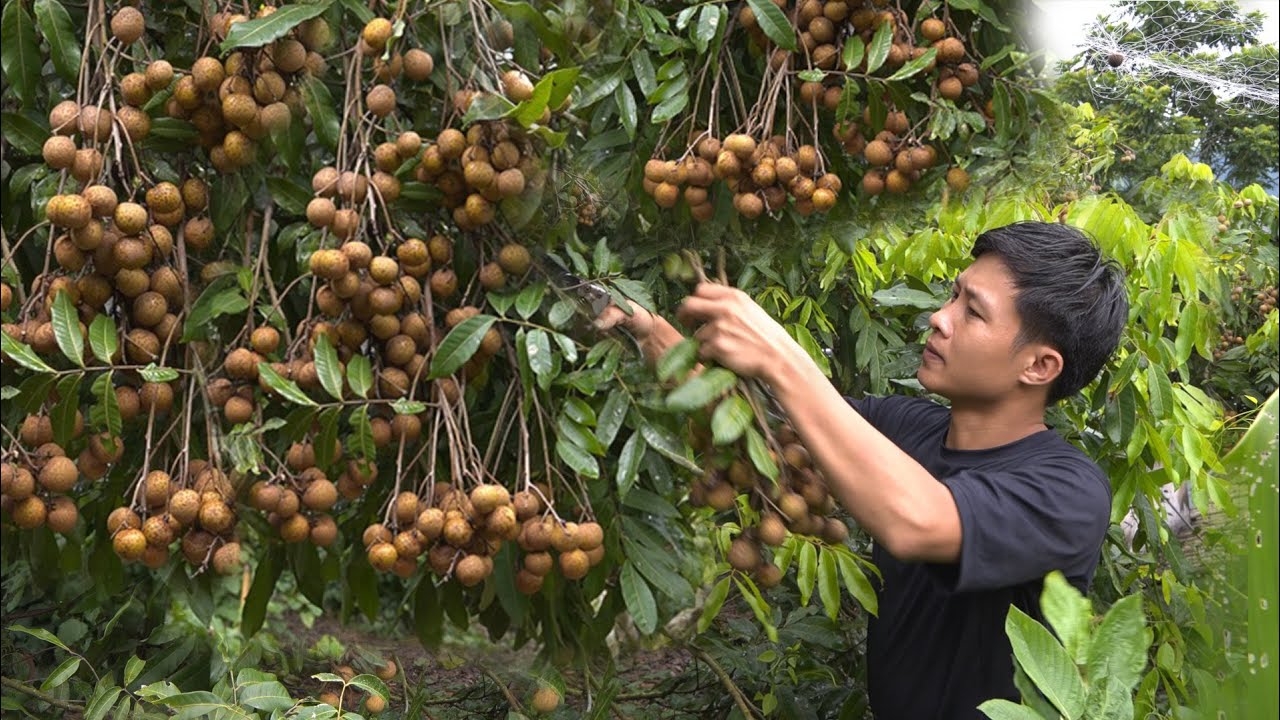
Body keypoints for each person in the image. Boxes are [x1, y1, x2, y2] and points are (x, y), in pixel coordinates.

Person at [594, 221, 1129, 719]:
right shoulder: (904, 424)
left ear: (1038, 366)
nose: (939, 318)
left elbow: (920, 520)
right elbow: (766, 422)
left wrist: (781, 357)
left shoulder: (1069, 491)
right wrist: (646, 331)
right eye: (953, 295)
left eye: (974, 312)